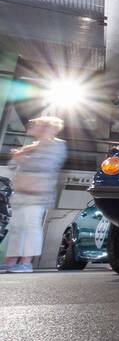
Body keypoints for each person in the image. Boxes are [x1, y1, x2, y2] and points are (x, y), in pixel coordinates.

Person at [2, 116, 69, 273]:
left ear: (47, 128)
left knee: (31, 226)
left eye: (38, 126)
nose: (34, 128)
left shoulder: (57, 145)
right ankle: (10, 261)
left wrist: (21, 157)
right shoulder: (32, 146)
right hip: (20, 192)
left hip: (38, 193)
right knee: (16, 227)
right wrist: (18, 157)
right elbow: (13, 165)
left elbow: (44, 165)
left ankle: (26, 263)